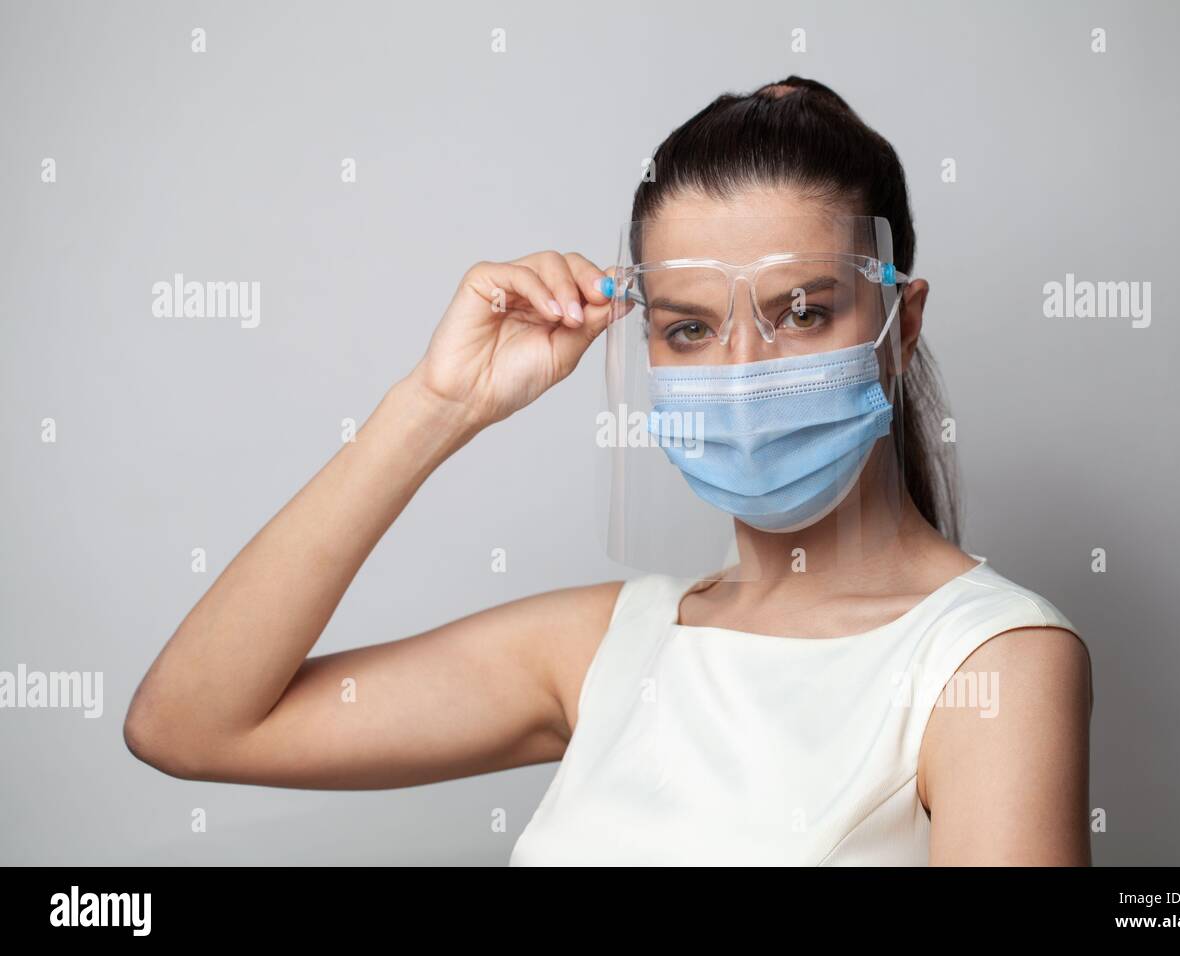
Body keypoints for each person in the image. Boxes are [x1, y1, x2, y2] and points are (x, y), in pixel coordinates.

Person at [124, 76, 1092, 866]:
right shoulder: (604, 644)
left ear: (898, 322)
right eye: (688, 327)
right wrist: (437, 404)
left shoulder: (988, 660)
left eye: (801, 311)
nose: (744, 371)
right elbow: (192, 725)